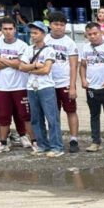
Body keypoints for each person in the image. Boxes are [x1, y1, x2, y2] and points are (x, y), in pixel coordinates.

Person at [0, 17, 35, 153]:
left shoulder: (22, 45)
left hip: (20, 86)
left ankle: (33, 141)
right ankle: (3, 142)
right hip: (2, 87)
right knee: (3, 116)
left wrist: (2, 59)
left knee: (25, 115)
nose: (8, 32)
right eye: (5, 29)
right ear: (1, 29)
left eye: (10, 29)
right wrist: (12, 61)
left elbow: (20, 65)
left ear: (15, 29)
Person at [19, 22, 64, 157]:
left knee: (52, 118)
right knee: (36, 118)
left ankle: (57, 146)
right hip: (31, 87)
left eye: (36, 33)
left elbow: (46, 70)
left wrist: (31, 68)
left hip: (46, 87)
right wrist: (36, 65)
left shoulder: (49, 50)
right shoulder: (28, 49)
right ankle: (42, 144)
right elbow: (21, 67)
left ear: (43, 34)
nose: (32, 35)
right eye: (31, 33)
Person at [43, 12, 81, 153]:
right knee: (52, 113)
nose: (59, 27)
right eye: (56, 24)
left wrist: (72, 86)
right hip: (47, 83)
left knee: (71, 111)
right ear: (50, 25)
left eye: (62, 25)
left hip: (64, 82)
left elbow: (73, 66)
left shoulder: (69, 43)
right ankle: (55, 138)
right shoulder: (45, 40)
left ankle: (73, 139)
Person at [79, 22, 104, 154]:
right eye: (89, 34)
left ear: (101, 32)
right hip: (91, 87)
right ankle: (95, 141)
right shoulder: (85, 48)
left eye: (95, 33)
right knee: (94, 115)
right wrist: (83, 80)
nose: (93, 36)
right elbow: (83, 65)